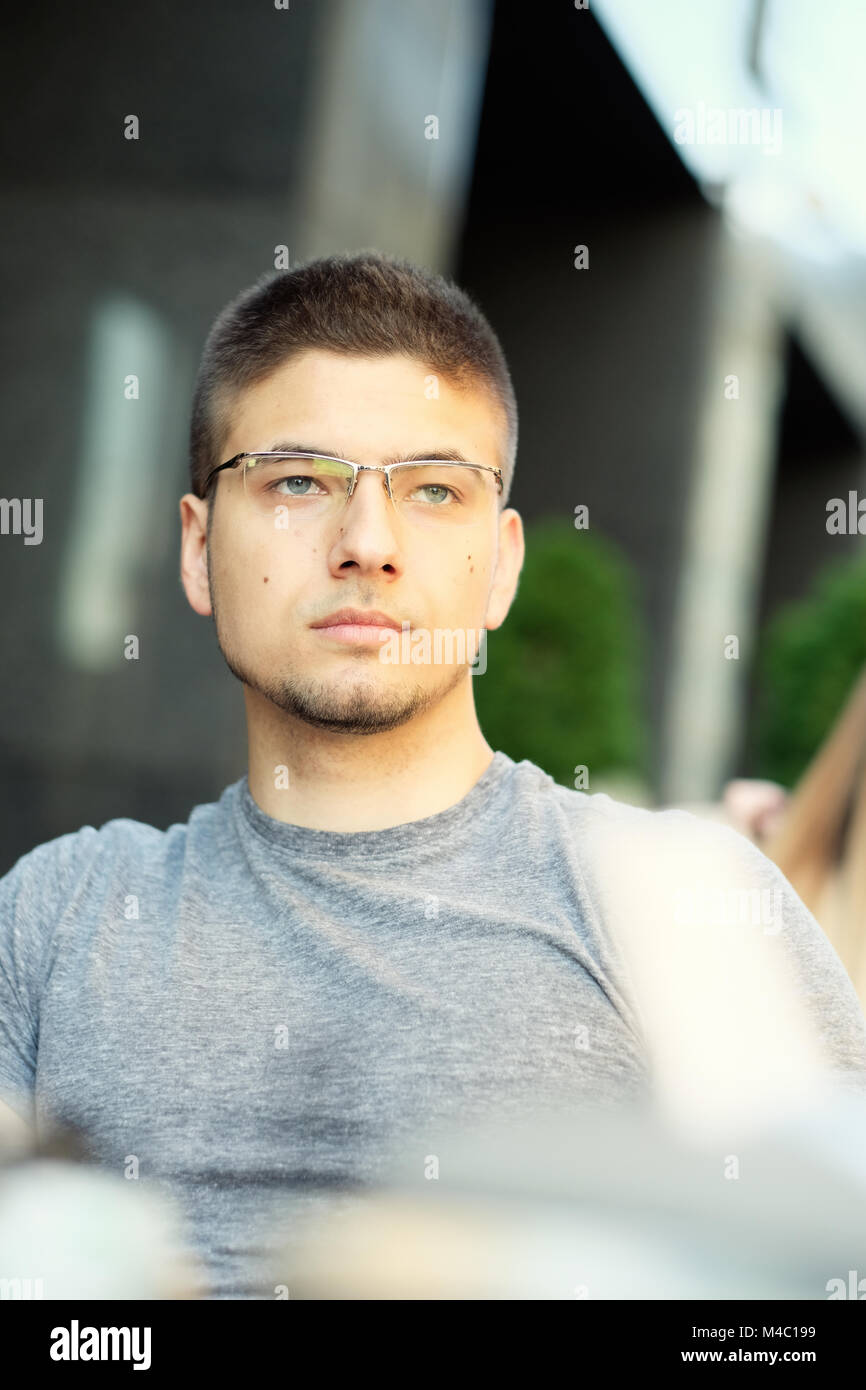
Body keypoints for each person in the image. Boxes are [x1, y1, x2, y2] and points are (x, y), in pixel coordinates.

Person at [2, 251, 866, 1300]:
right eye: (296, 481)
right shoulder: (54, 916)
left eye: (432, 490)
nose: (366, 542)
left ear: (500, 565)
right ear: (195, 548)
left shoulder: (675, 908)